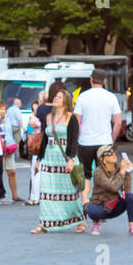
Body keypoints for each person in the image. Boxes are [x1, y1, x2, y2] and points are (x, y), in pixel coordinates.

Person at [31, 88, 85, 233]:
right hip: (49, 158)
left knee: (70, 192)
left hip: (64, 158)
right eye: (55, 97)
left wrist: (71, 159)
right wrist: (38, 159)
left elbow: (74, 140)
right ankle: (44, 224)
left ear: (65, 101)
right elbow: (44, 140)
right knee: (46, 193)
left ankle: (80, 220)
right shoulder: (49, 117)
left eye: (59, 97)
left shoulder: (71, 117)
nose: (55, 99)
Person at [72, 68, 123, 199]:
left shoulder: (83, 97)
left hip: (85, 142)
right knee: (103, 176)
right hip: (104, 141)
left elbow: (77, 121)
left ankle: (84, 202)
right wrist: (111, 140)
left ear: (91, 80)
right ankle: (100, 205)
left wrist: (77, 140)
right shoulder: (111, 97)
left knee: (86, 175)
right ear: (105, 81)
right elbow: (118, 122)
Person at [85, 145, 133, 236]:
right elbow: (113, 187)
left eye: (113, 153)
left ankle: (132, 226)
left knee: (131, 197)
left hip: (113, 205)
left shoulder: (119, 169)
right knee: (93, 210)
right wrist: (122, 172)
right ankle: (96, 223)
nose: (113, 155)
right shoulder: (98, 172)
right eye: (109, 153)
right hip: (100, 206)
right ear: (102, 159)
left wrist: (128, 172)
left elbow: (126, 191)